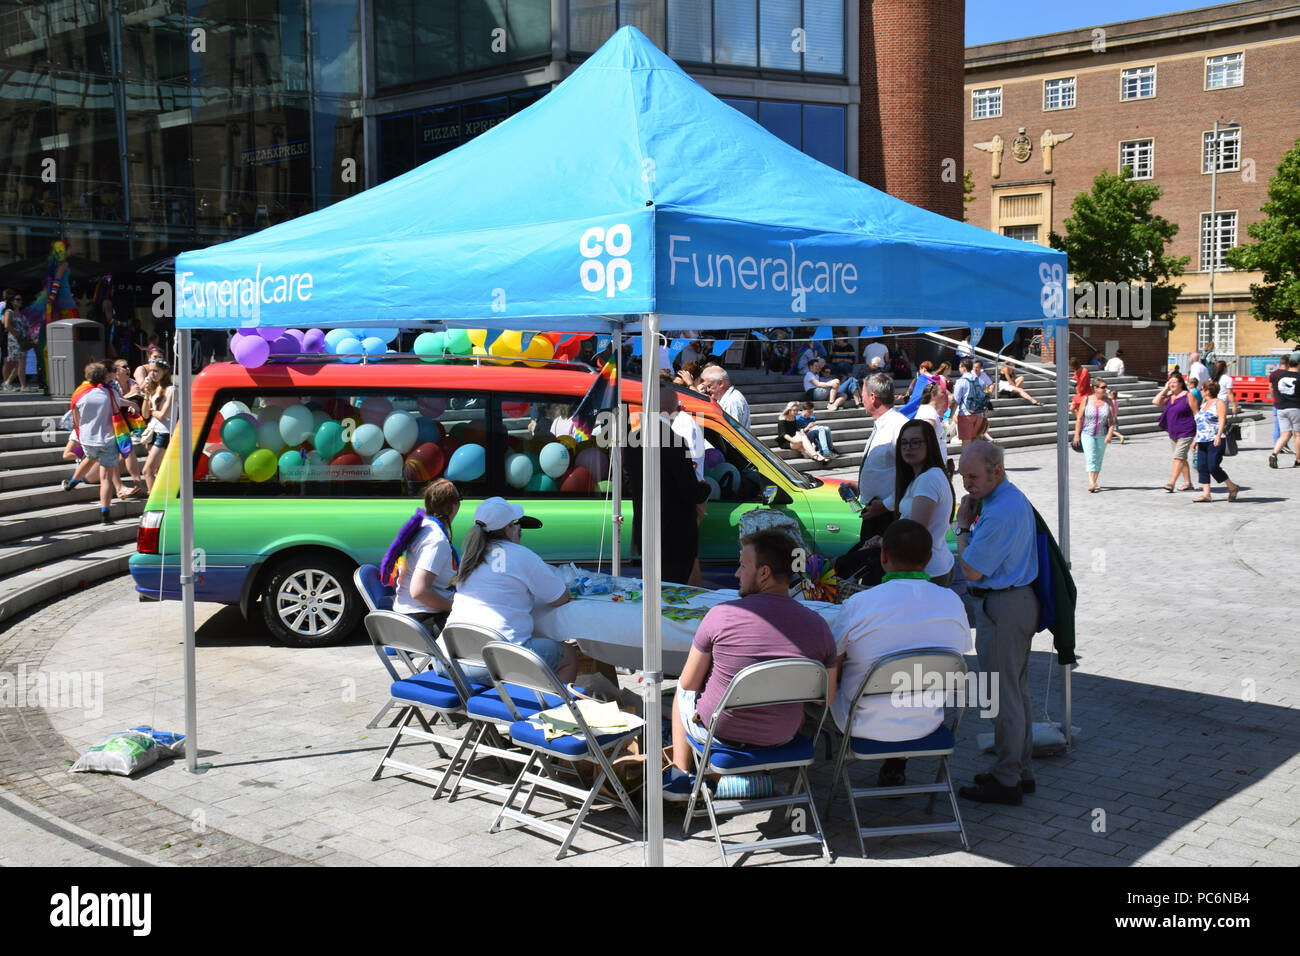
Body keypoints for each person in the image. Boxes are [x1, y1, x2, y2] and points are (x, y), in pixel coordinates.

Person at [663, 530, 838, 800]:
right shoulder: (819, 626)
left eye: (743, 566)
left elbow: (688, 683)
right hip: (783, 736)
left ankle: (679, 774)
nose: (737, 574)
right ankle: (739, 778)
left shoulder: (721, 615)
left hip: (722, 733)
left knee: (680, 692)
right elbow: (826, 699)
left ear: (764, 572)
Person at [830, 519, 971, 787]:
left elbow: (833, 663)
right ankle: (897, 763)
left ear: (883, 556)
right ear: (930, 559)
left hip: (861, 723)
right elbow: (957, 657)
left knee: (824, 683)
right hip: (926, 721)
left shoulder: (859, 603)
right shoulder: (952, 601)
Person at [953, 441, 1040, 805]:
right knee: (1014, 692)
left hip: (1003, 606)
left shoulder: (1002, 509)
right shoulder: (1002, 500)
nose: (966, 484)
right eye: (963, 477)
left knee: (1003, 695)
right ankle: (1018, 770)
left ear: (997, 472)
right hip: (1010, 602)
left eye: (972, 477)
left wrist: (960, 528)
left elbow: (972, 568)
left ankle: (1008, 779)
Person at [443, 496, 575, 683]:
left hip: (448, 659)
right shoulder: (522, 556)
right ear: (508, 529)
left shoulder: (469, 556)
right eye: (515, 524)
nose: (519, 528)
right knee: (568, 655)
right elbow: (560, 598)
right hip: (490, 662)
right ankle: (548, 709)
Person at [626, 382, 713, 585]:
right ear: (671, 409)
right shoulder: (674, 441)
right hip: (674, 536)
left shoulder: (631, 439)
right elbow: (690, 492)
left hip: (646, 531)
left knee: (653, 591)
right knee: (672, 592)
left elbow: (630, 482)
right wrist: (706, 486)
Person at [835, 373, 908, 583]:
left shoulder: (898, 426)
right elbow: (884, 471)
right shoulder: (882, 425)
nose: (861, 398)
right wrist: (860, 487)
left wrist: (885, 506)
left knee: (876, 574)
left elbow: (909, 477)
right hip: (875, 513)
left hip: (887, 517)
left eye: (863, 394)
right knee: (866, 571)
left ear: (873, 397)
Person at [876, 420, 956, 586]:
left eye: (915, 442)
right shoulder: (924, 477)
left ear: (930, 444)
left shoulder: (928, 479)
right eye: (904, 443)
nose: (908, 448)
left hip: (927, 572)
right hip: (931, 566)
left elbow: (914, 533)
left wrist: (881, 542)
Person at [389, 479, 461, 631]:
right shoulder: (436, 540)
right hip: (419, 619)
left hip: (412, 612)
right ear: (454, 506)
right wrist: (455, 606)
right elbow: (419, 591)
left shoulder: (425, 527)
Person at [70, 362, 126, 525]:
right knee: (106, 478)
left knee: (89, 457)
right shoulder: (110, 393)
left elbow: (76, 417)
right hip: (107, 438)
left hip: (88, 438)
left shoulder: (79, 393)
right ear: (104, 376)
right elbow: (116, 412)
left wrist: (82, 434)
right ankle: (104, 514)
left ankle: (73, 482)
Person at [1191, 381, 1240, 503]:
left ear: (1208, 391)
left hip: (1215, 439)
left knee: (1213, 466)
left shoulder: (1220, 403)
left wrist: (1218, 435)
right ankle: (1206, 494)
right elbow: (1200, 423)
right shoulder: (1204, 404)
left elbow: (1222, 420)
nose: (1201, 391)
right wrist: (1195, 440)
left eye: (1202, 389)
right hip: (1202, 439)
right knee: (1201, 466)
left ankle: (1232, 486)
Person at [1154, 372, 1198, 492]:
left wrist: (1198, 435)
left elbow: (1197, 414)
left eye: (1174, 382)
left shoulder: (1188, 396)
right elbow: (1156, 402)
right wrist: (1165, 389)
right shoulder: (1170, 396)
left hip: (1187, 431)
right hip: (1173, 432)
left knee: (1178, 457)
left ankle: (1171, 483)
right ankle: (1188, 483)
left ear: (1181, 384)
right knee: (1182, 458)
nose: (1172, 384)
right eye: (1170, 382)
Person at [1072, 380, 1116, 493]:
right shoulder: (1086, 400)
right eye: (1103, 387)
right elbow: (1079, 418)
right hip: (1087, 434)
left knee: (1098, 458)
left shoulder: (1109, 402)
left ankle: (1094, 481)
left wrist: (1109, 435)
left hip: (1102, 434)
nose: (1105, 389)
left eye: (1106, 387)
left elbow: (1112, 422)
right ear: (1095, 388)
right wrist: (1077, 435)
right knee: (1091, 456)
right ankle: (1091, 482)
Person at [141, 360, 175, 491]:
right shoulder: (154, 389)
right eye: (150, 371)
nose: (152, 374)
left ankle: (154, 503)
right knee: (157, 471)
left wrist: (152, 411)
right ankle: (158, 499)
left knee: (147, 471)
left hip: (165, 433)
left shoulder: (171, 389)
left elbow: (162, 415)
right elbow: (145, 415)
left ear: (164, 372)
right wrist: (146, 395)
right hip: (154, 432)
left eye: (156, 371)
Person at [1268, 352, 1300, 469]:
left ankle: (1274, 454)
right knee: (1297, 435)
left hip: (1281, 408)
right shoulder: (1298, 377)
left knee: (1284, 434)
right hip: (1295, 407)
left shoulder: (1281, 376)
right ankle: (1298, 460)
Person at [952, 358, 989, 444]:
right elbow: (985, 395)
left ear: (963, 368)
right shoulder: (980, 380)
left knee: (966, 442)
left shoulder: (961, 381)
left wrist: (950, 415)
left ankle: (968, 457)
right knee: (975, 441)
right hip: (979, 413)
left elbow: (956, 400)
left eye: (960, 367)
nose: (959, 369)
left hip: (966, 414)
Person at [701, 365, 749, 429]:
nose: (708, 390)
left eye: (709, 386)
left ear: (721, 383)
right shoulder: (727, 399)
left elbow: (732, 433)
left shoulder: (732, 402)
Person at [914, 380, 950, 463]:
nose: (946, 395)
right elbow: (925, 440)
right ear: (933, 395)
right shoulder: (929, 413)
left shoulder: (929, 411)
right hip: (933, 465)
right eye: (942, 393)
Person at [2, 289, 29, 391]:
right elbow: (6, 325)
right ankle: (23, 386)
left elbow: (25, 326)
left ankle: (7, 382)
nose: (19, 301)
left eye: (20, 299)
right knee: (21, 362)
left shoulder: (21, 314)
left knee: (19, 364)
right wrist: (16, 333)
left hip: (22, 340)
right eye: (17, 299)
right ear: (12, 301)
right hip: (15, 341)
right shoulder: (9, 312)